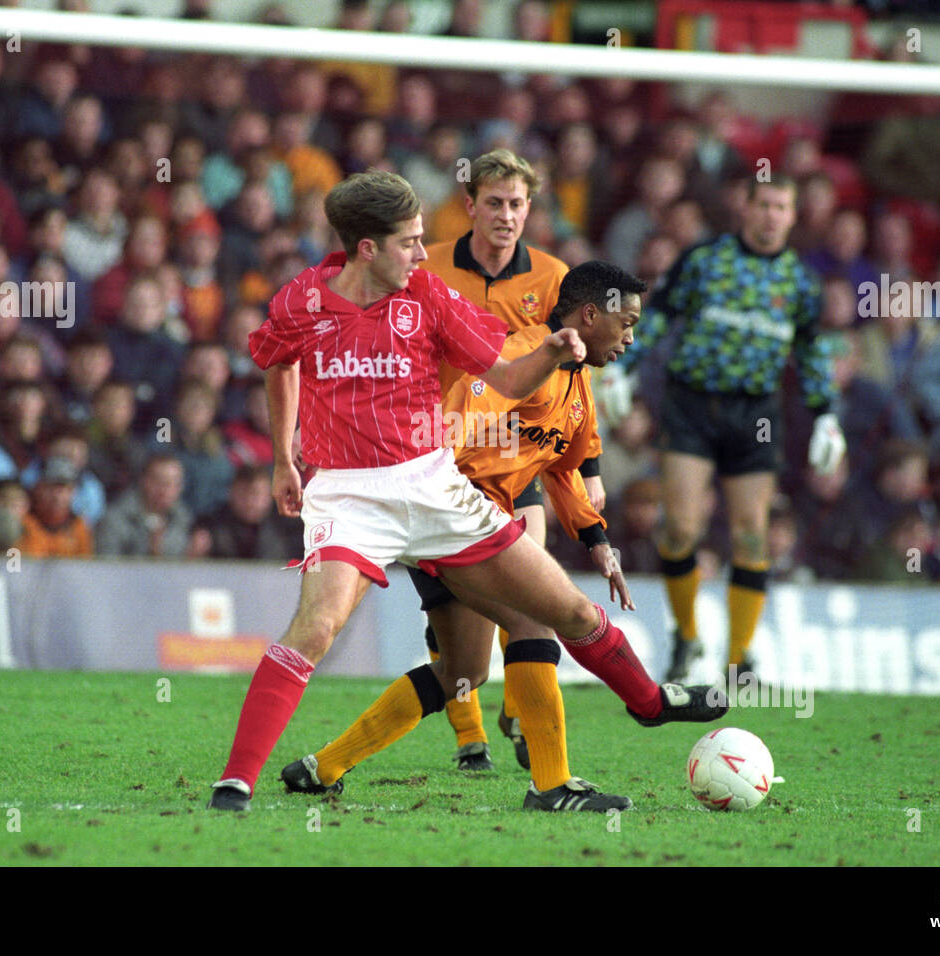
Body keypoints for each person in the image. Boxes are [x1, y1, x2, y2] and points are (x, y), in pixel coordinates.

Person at [209, 172, 726, 814]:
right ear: (366, 248)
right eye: (410, 242)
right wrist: (285, 458)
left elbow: (506, 376)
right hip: (346, 497)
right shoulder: (303, 301)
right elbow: (278, 360)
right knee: (315, 628)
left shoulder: (425, 296)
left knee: (560, 613)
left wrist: (556, 352)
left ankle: (647, 705)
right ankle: (235, 783)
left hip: (435, 489)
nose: (424, 255)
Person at [622, 174, 845, 684]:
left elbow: (812, 352)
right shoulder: (704, 261)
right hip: (692, 405)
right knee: (680, 528)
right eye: (763, 203)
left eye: (781, 206)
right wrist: (623, 365)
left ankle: (739, 658)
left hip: (757, 415)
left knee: (751, 535)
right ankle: (686, 635)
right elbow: (657, 315)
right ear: (744, 208)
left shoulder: (800, 283)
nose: (771, 214)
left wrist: (826, 414)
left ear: (793, 215)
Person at [419, 147, 585, 771]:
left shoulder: (552, 278)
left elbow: (575, 371)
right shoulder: (427, 267)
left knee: (532, 596)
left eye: (517, 204)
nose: (506, 215)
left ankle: (520, 712)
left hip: (516, 460)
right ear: (469, 207)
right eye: (494, 202)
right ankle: (470, 730)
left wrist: (584, 470)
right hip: (439, 458)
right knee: (461, 630)